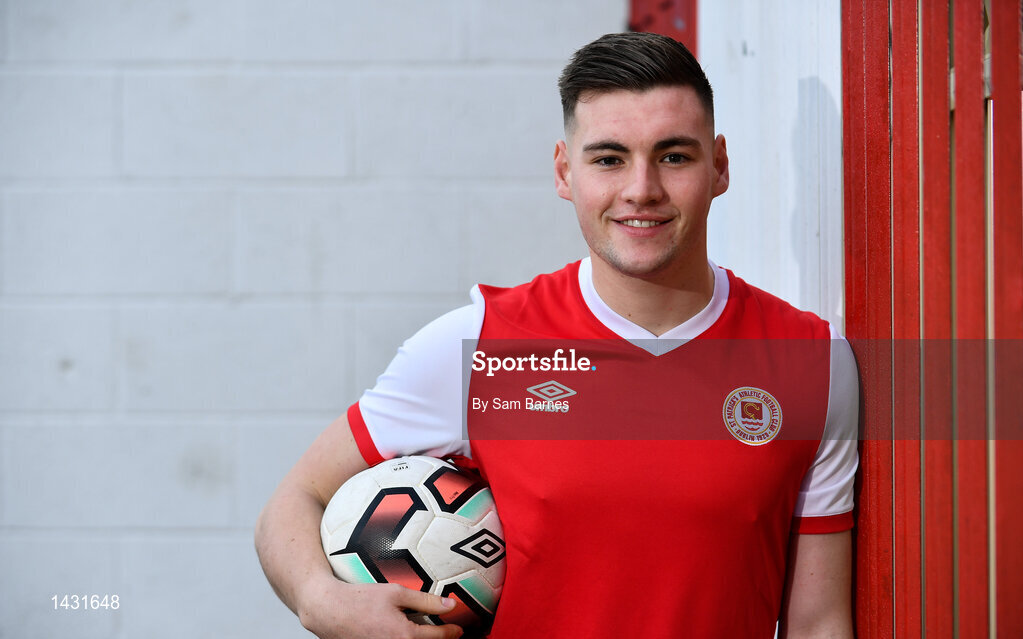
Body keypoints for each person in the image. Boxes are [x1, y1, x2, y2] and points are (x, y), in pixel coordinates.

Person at [255, 32, 858, 639]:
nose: (641, 189)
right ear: (565, 171)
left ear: (719, 166)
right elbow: (295, 499)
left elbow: (819, 624)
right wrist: (320, 601)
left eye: (674, 156)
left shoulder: (813, 364)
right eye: (609, 159)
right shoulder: (480, 348)